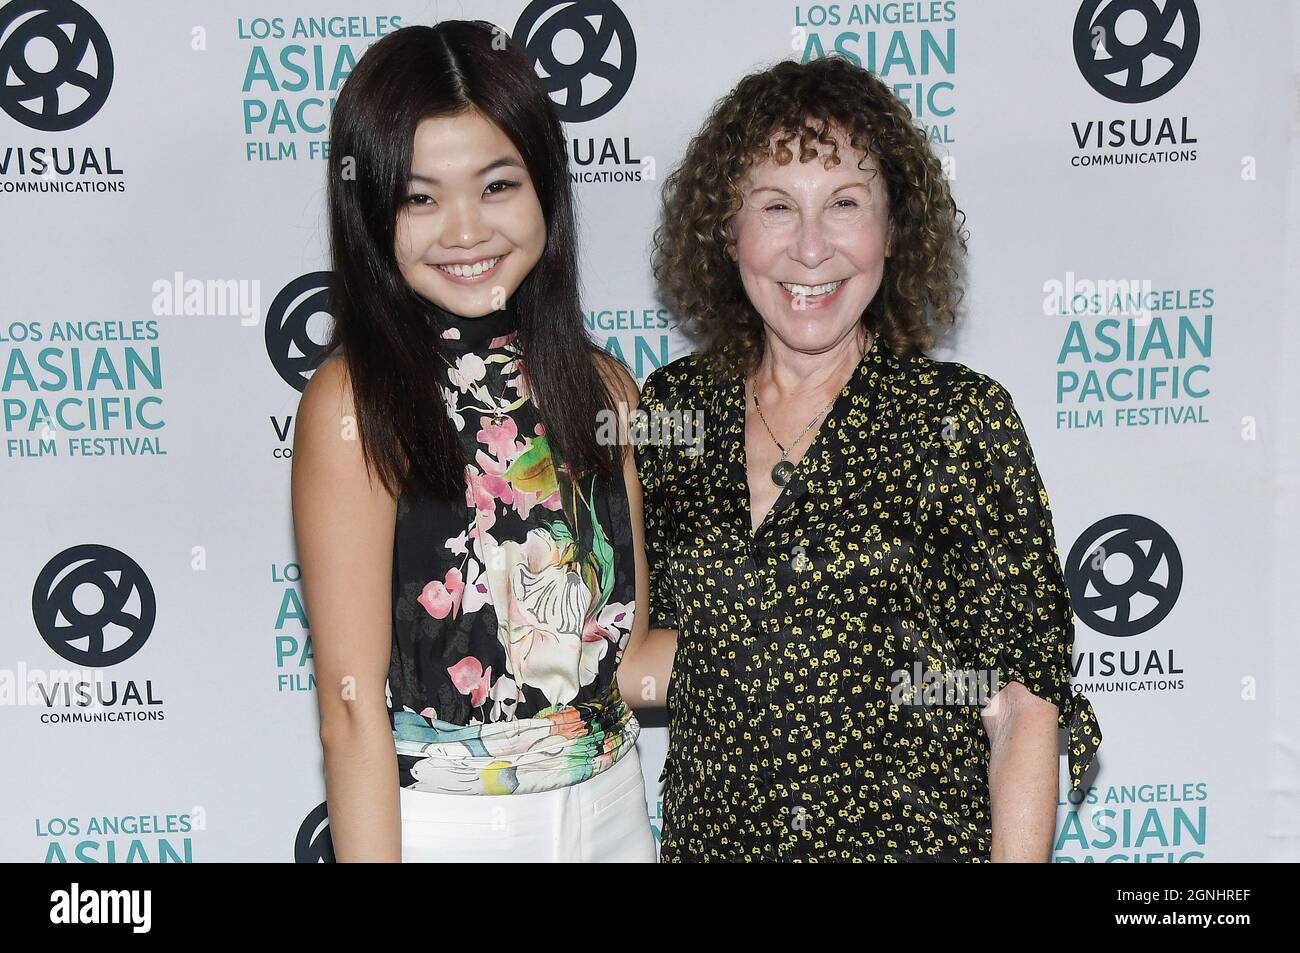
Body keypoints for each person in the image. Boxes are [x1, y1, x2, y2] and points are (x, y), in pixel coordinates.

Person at [625, 55, 1102, 862]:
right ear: (728, 232)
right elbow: (643, 658)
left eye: (844, 203)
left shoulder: (956, 421)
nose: (811, 249)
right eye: (776, 206)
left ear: (892, 229)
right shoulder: (671, 410)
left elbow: (1022, 706)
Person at [292, 20, 654, 862]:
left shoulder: (600, 385)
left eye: (497, 186)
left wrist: (804, 633)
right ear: (373, 210)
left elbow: (625, 660)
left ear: (545, 192)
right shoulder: (353, 402)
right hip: (453, 831)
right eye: (421, 197)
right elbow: (349, 715)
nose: (465, 231)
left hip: (616, 810)